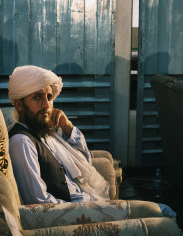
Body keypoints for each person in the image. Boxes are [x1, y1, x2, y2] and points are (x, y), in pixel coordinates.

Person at [7, 65, 110, 204]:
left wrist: (67, 126)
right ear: (19, 105)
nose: (46, 105)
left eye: (49, 97)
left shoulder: (44, 134)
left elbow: (85, 162)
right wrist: (84, 209)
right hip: (76, 214)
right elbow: (39, 201)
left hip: (88, 203)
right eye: (37, 97)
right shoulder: (22, 141)